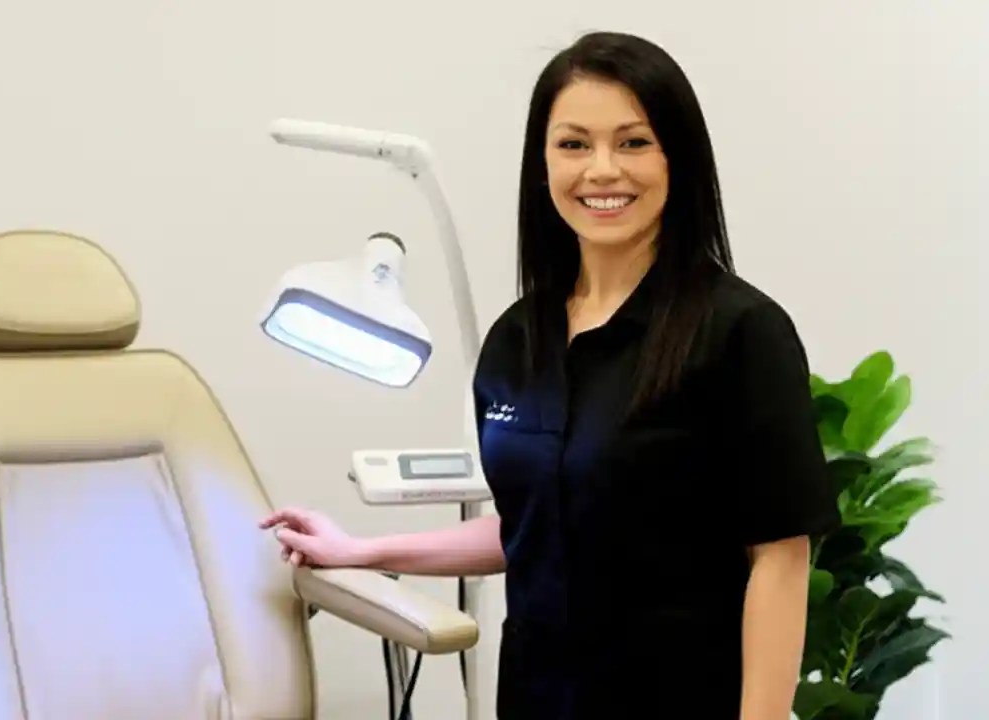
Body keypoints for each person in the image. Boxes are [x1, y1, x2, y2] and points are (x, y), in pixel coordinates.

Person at [259, 30, 840, 719]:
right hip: (538, 695)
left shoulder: (739, 332)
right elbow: (531, 526)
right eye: (573, 144)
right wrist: (362, 547)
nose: (602, 170)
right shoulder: (518, 339)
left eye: (633, 142)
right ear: (542, 165)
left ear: (677, 158)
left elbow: (779, 555)